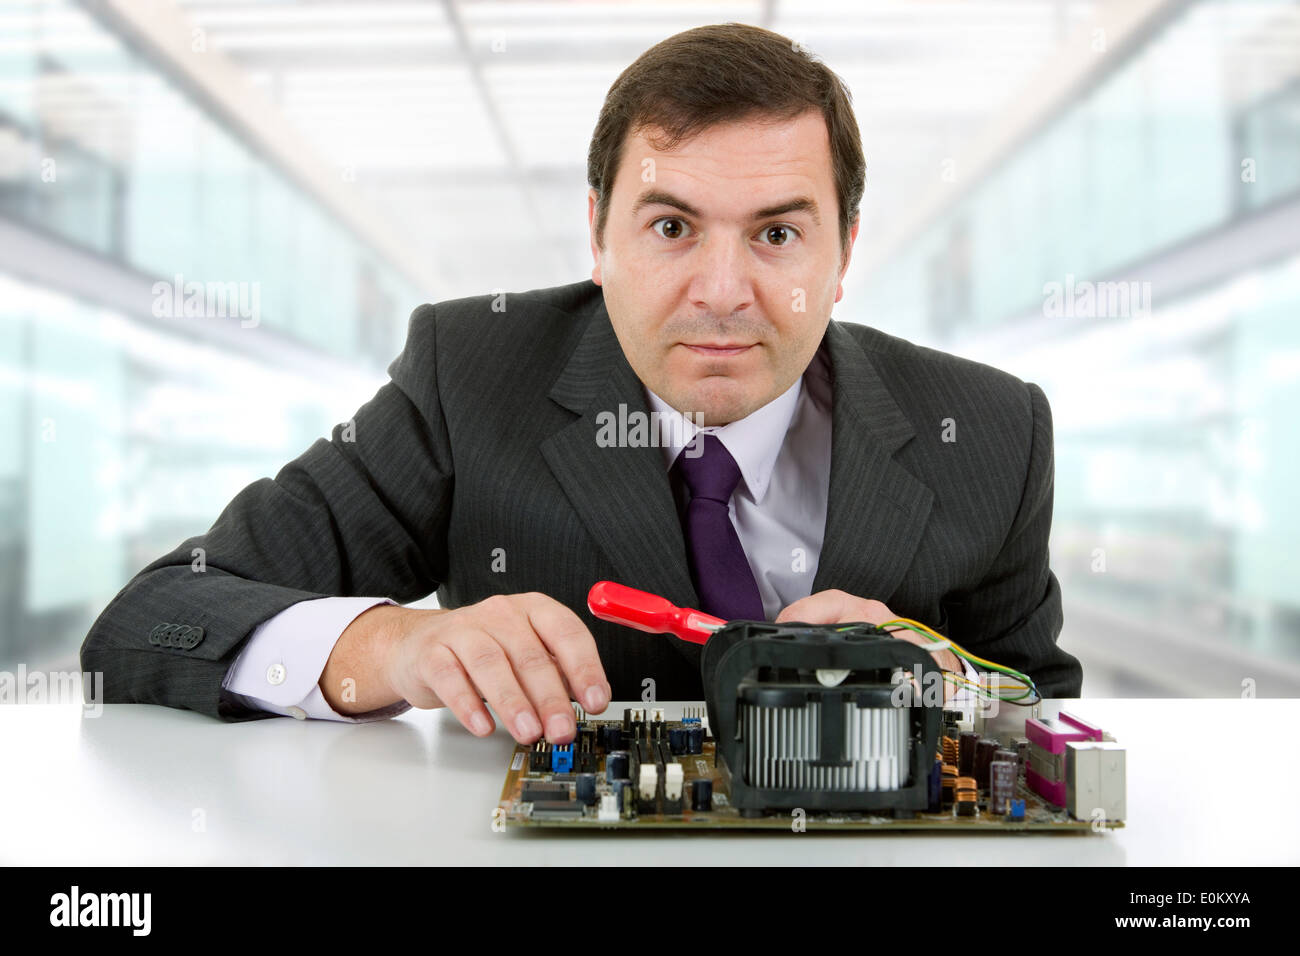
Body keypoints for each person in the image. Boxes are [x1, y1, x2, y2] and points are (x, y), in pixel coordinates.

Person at [81, 23, 1081, 746]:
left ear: (844, 249)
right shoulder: (469, 377)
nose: (723, 293)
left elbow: (1048, 720)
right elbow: (150, 618)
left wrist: (938, 675)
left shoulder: (990, 430)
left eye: (776, 233)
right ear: (597, 235)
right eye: (671, 227)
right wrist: (390, 646)